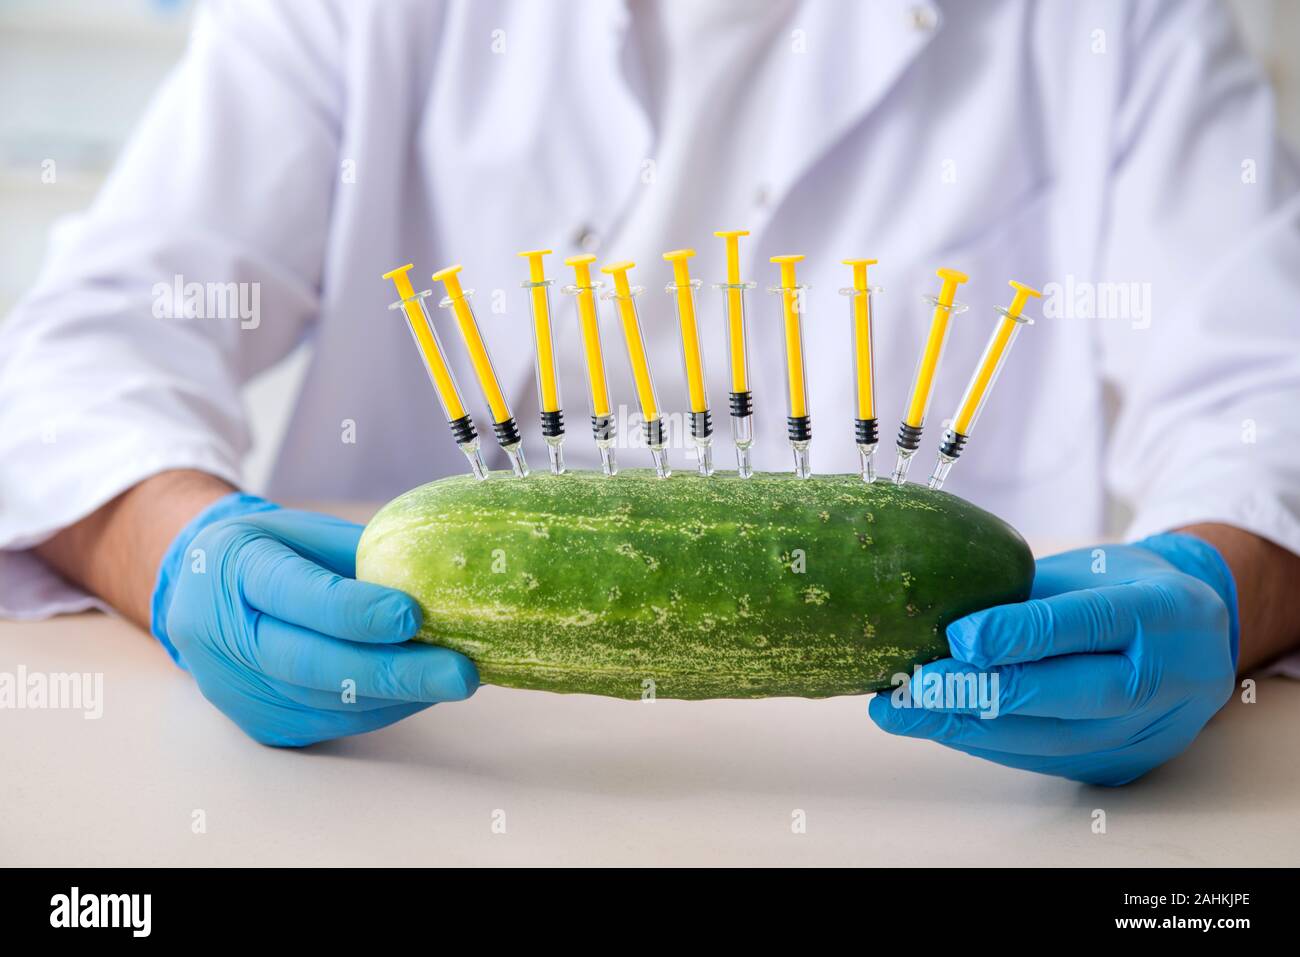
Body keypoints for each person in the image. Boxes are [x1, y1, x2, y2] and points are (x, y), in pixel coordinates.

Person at [2, 0, 1298, 783]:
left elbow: (1270, 389)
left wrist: (1218, 590)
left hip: (970, 782)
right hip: (416, 775)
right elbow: (85, 346)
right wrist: (183, 556)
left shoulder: (1120, 24)